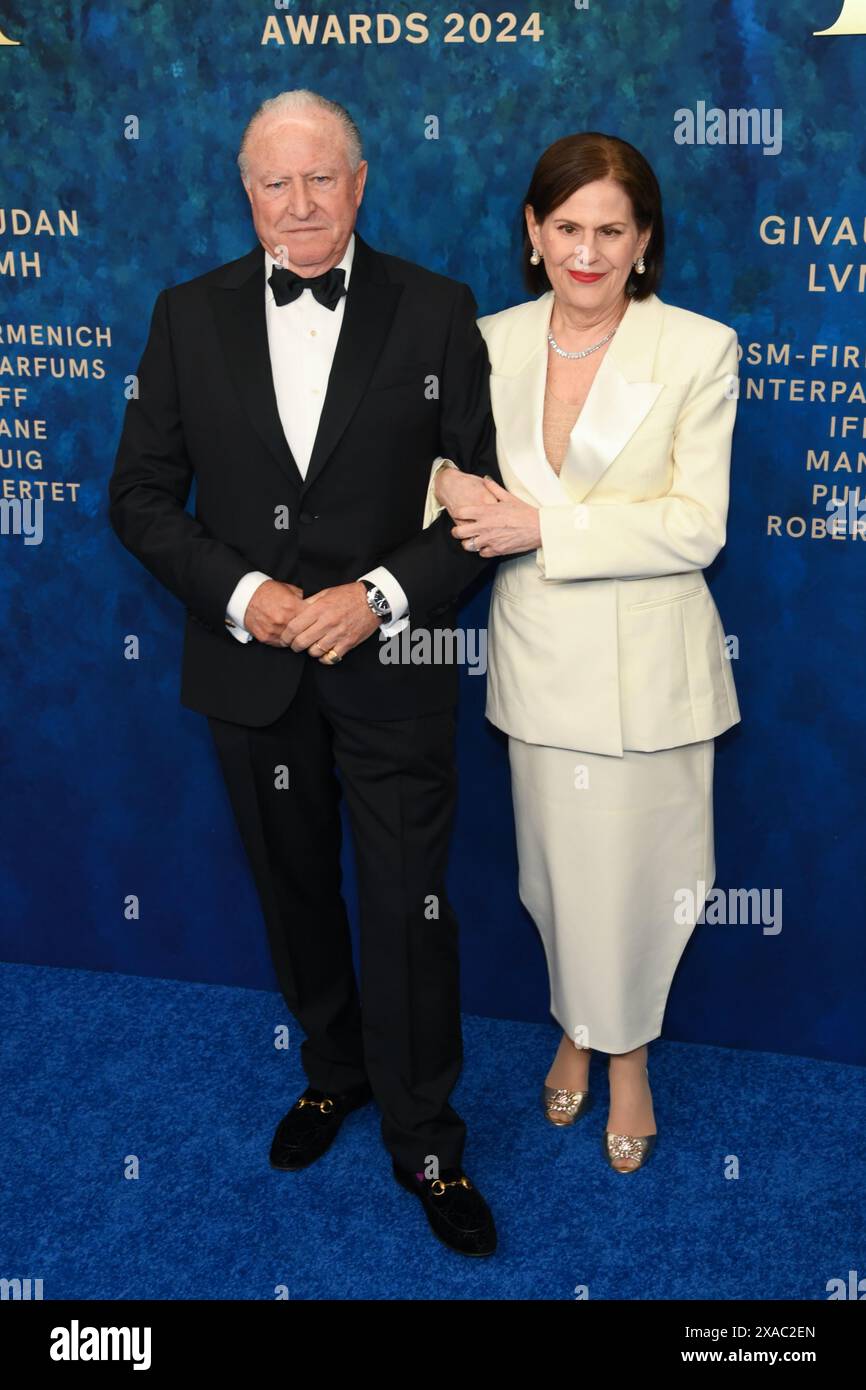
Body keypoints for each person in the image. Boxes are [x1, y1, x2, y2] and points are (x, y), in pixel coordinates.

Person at [108, 88, 502, 1254]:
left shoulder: (435, 312)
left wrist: (372, 599)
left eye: (319, 178)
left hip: (391, 673)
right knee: (293, 893)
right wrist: (246, 594)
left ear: (361, 180)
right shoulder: (186, 316)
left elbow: (472, 511)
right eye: (273, 182)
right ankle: (331, 1072)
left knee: (406, 907)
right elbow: (136, 498)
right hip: (249, 675)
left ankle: (427, 1139)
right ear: (245, 191)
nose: (297, 204)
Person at [428, 132, 741, 1172]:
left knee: (648, 878)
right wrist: (447, 486)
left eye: (611, 230)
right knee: (557, 878)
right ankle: (573, 1022)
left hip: (652, 674)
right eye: (567, 227)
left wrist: (541, 529)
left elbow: (696, 525)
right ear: (532, 231)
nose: (587, 250)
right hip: (539, 663)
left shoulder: (696, 348)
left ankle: (627, 1057)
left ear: (643, 241)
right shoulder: (483, 341)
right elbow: (430, 460)